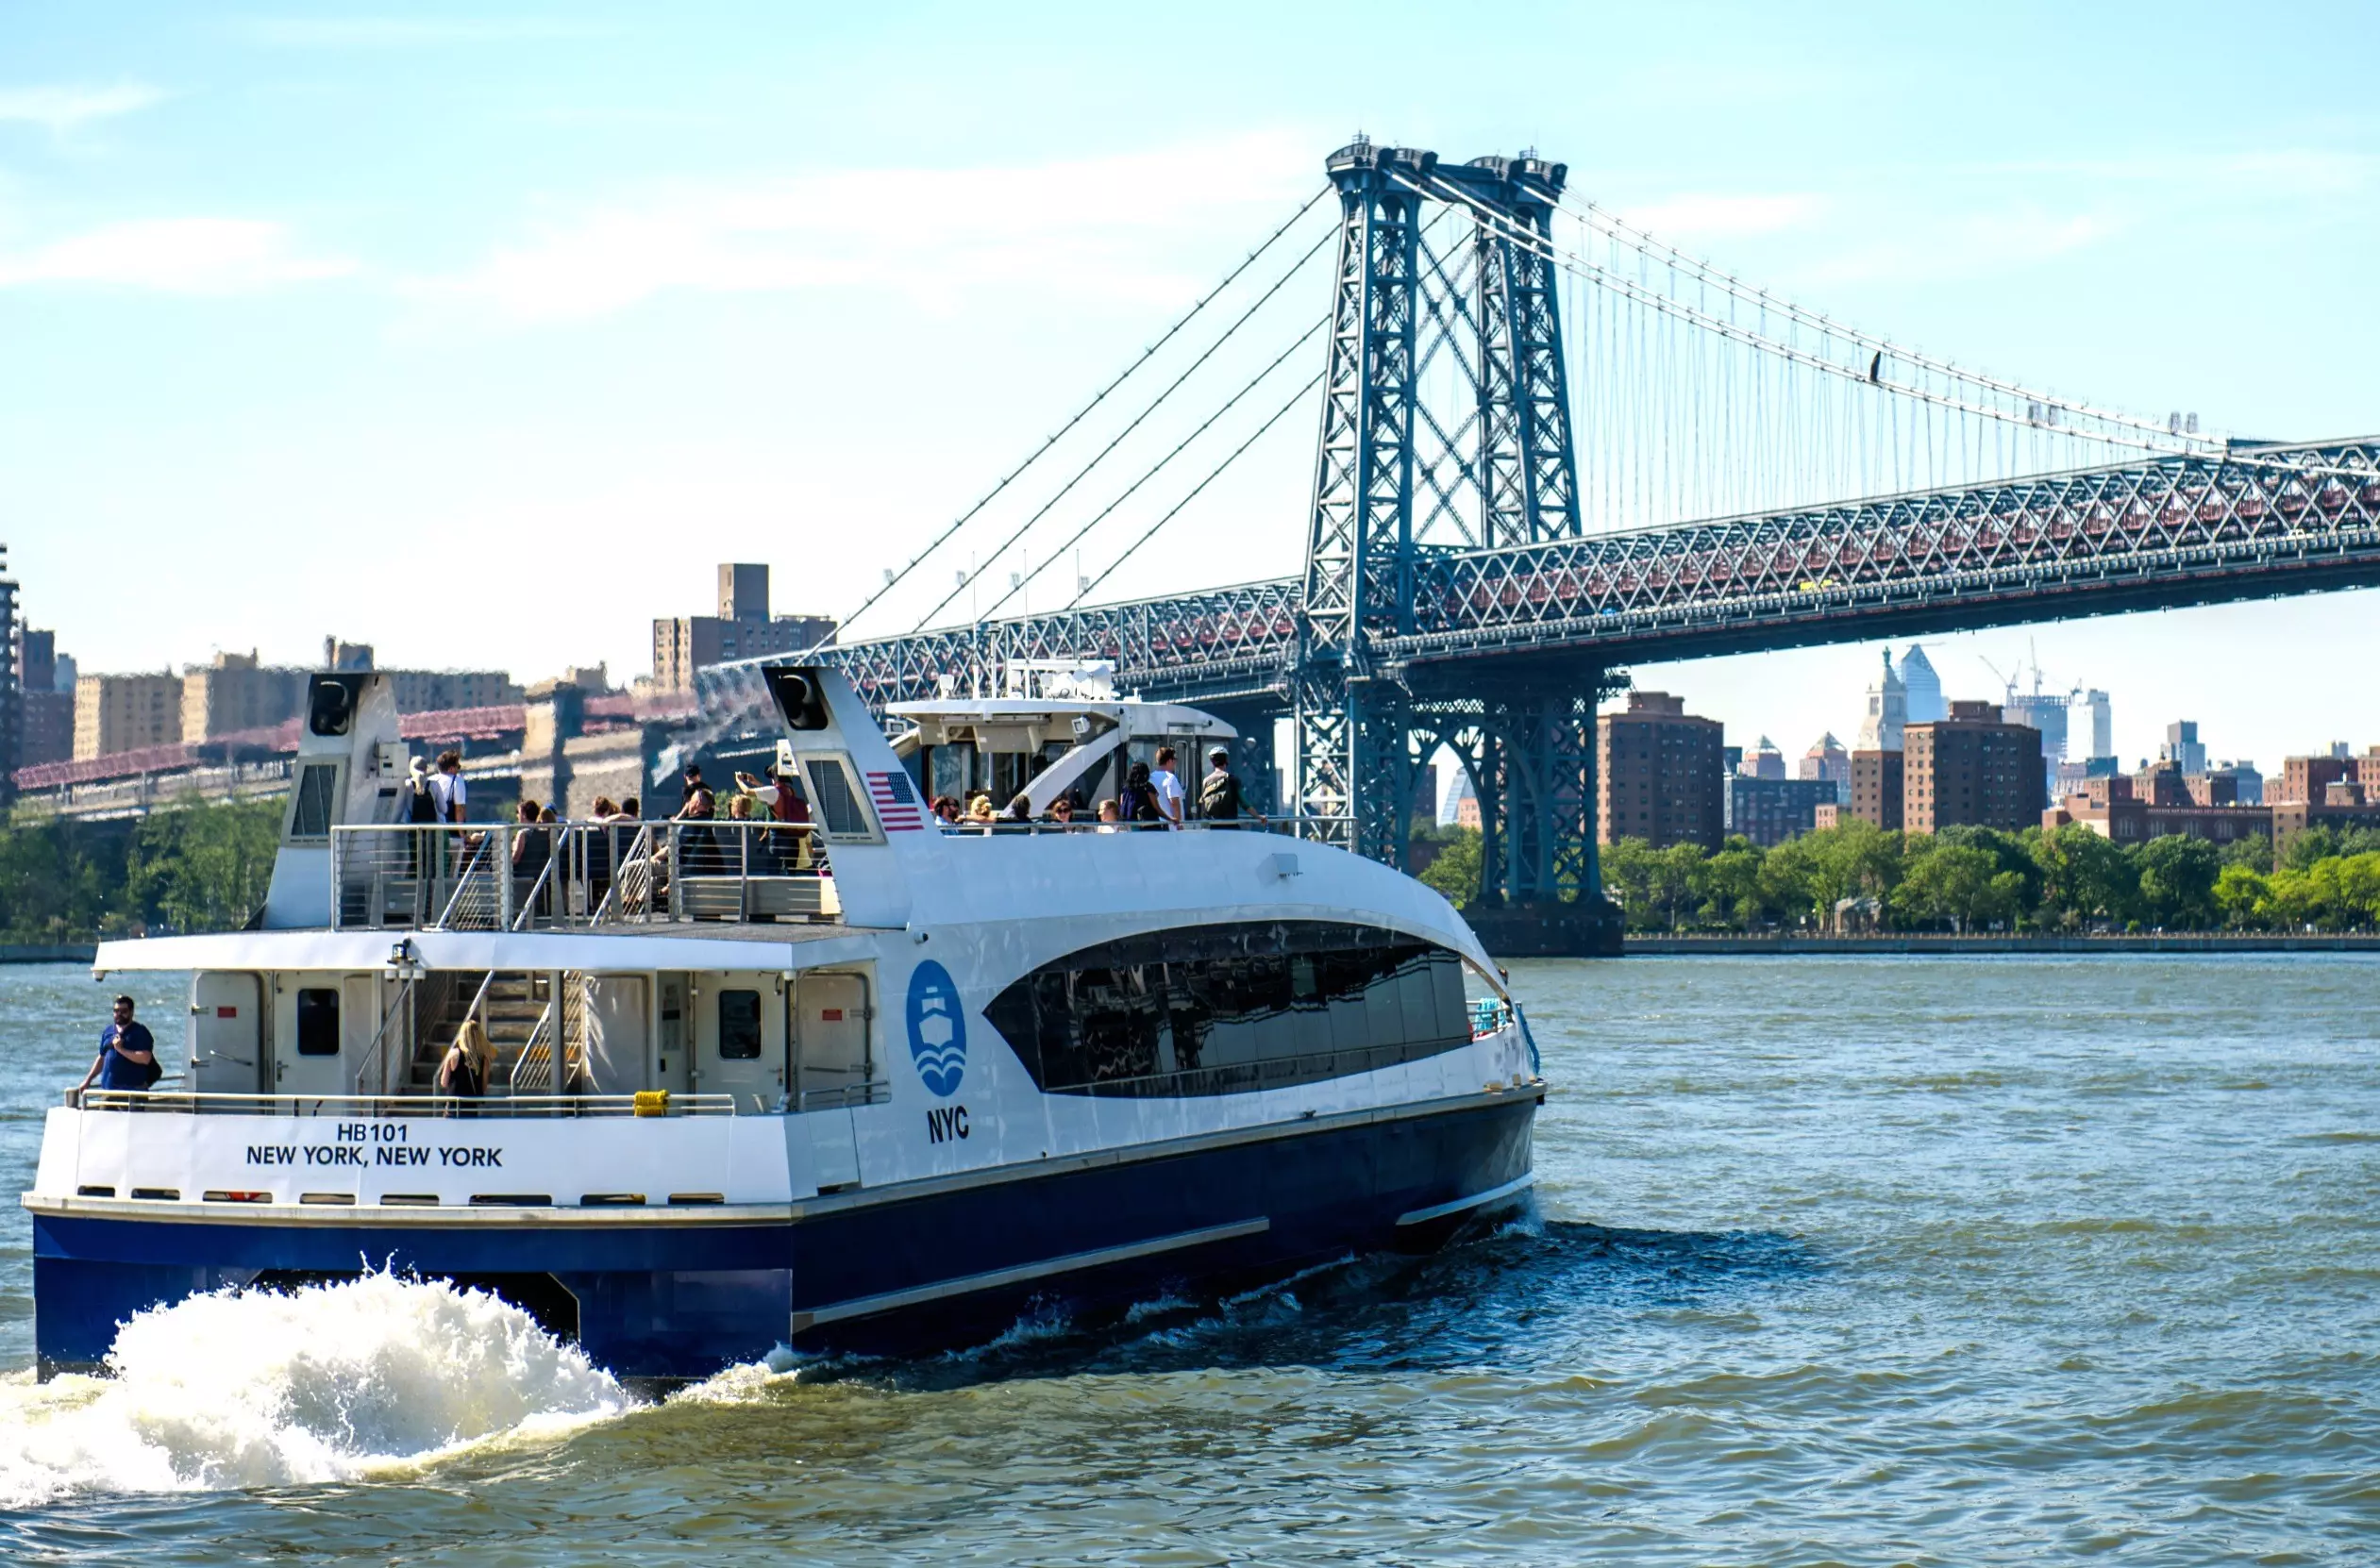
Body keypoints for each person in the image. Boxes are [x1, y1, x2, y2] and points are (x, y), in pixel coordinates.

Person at [76, 995, 160, 1096]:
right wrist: (88, 1080)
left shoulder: (140, 1032)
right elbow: (101, 1058)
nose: (119, 1014)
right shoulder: (108, 1031)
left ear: (132, 1012)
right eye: (116, 1011)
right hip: (107, 1092)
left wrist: (121, 1049)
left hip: (132, 1094)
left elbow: (145, 1058)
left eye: (123, 1011)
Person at [437, 1018, 494, 1107]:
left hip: (454, 1105)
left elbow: (444, 1082)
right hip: (471, 1106)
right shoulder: (484, 1059)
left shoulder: (454, 1054)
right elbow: (483, 1087)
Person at [1198, 748, 1260, 827]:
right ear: (1226, 761)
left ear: (1212, 762)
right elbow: (1244, 803)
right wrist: (1258, 816)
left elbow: (1203, 805)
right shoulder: (1233, 779)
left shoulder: (1206, 781)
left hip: (1213, 827)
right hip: (1231, 827)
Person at [1150, 746, 1186, 829]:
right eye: (1174, 760)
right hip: (1170, 827)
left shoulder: (1150, 778)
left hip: (1156, 825)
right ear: (1169, 761)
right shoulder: (1170, 778)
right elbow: (1174, 803)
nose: (1175, 763)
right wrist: (1178, 824)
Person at [428, 750, 467, 823]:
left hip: (428, 827)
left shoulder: (430, 780)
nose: (458, 770)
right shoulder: (457, 781)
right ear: (451, 769)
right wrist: (462, 833)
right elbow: (459, 810)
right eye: (458, 766)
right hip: (448, 828)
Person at [1124, 761, 1165, 826]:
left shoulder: (1126, 788)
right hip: (1148, 825)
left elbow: (1123, 805)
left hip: (1131, 824)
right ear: (1145, 774)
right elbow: (1157, 809)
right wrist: (1171, 819)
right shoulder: (1148, 787)